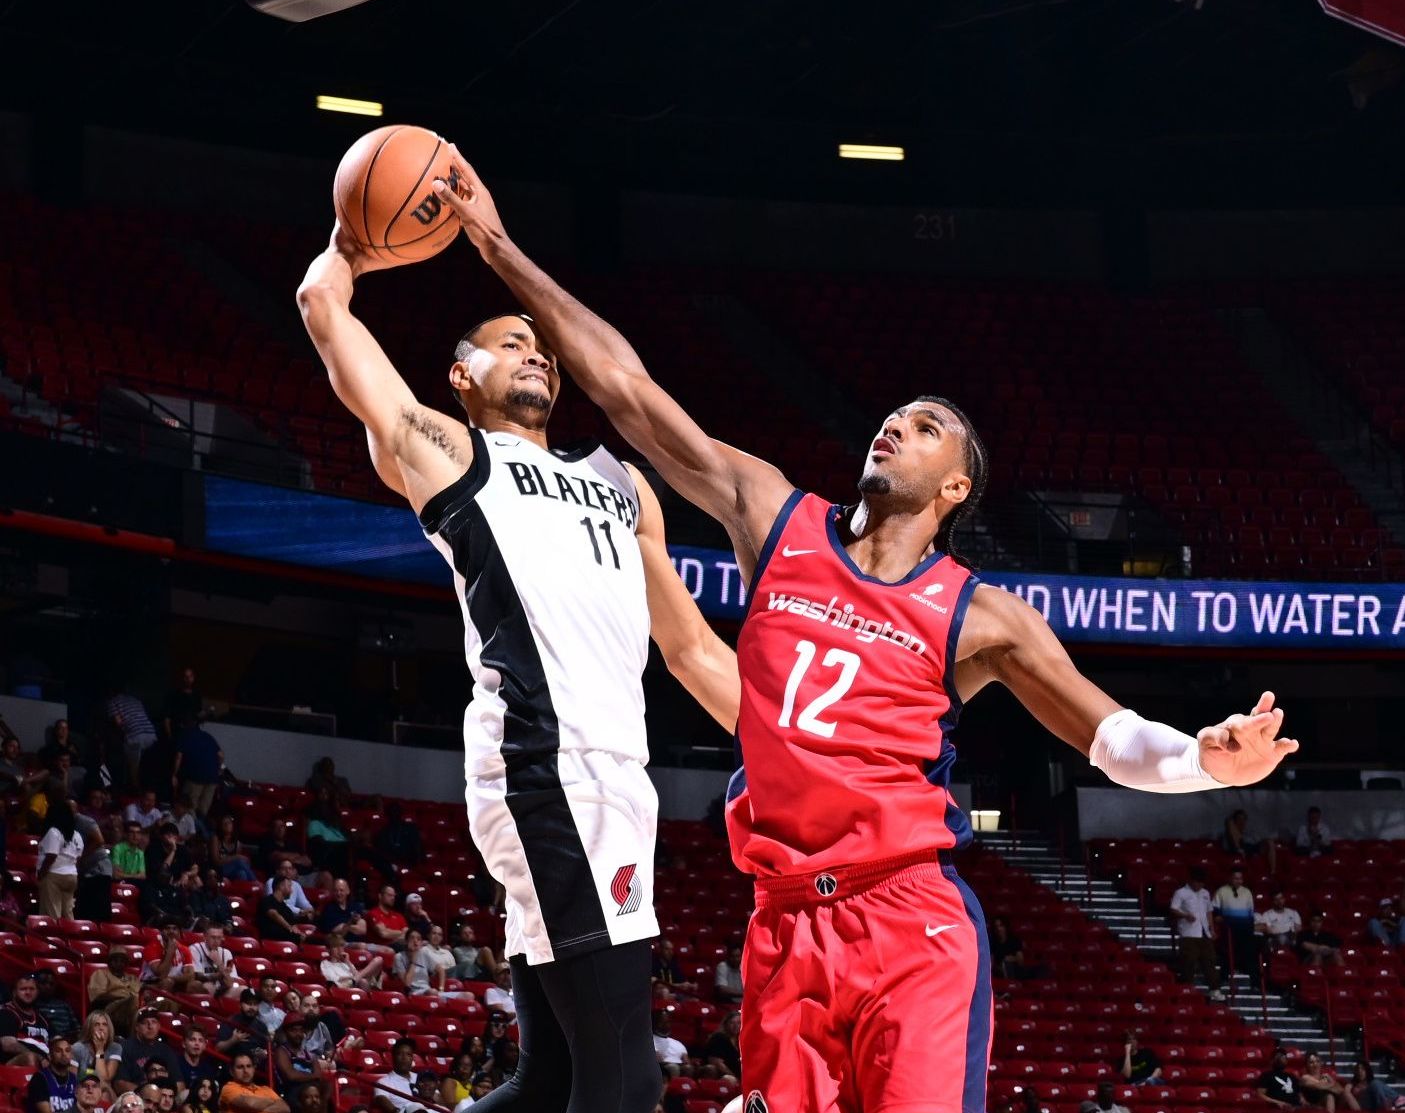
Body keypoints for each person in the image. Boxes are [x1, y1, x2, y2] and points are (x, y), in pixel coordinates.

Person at [428, 144, 1298, 1112]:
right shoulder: (774, 518)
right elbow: (630, 395)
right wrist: (497, 245)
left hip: (906, 916)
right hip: (782, 922)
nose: (894, 425)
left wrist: (1204, 761)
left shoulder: (981, 612)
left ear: (956, 484)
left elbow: (1109, 738)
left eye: (924, 426)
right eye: (892, 415)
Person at [298, 201, 746, 1113]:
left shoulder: (624, 482)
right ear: (462, 375)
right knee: (627, 1081)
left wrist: (806, 750)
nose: (536, 350)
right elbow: (321, 306)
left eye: (540, 344)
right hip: (545, 768)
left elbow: (694, 647)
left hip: (620, 776)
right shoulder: (448, 451)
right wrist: (355, 241)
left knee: (549, 1082)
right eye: (510, 341)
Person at [1171, 867, 1223, 1001]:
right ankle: (1187, 988)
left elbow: (1209, 912)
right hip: (1189, 933)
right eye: (1198, 883)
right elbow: (1173, 908)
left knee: (1209, 960)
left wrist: (1211, 929)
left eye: (1202, 883)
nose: (1200, 886)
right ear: (1192, 881)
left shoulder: (1205, 893)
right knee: (1189, 961)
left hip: (1204, 932)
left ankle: (1214, 989)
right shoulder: (1180, 893)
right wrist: (1185, 915)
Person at [37, 797, 85, 919]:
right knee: (68, 913)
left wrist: (41, 873)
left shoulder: (54, 832)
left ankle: (53, 937)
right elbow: (78, 857)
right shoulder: (77, 835)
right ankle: (69, 937)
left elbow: (51, 855)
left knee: (52, 914)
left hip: (54, 875)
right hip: (72, 876)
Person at [1212, 867, 1259, 987]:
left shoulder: (1247, 892)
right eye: (1236, 878)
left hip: (1245, 929)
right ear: (1230, 878)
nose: (1238, 881)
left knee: (1249, 952)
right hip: (1228, 928)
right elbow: (1215, 911)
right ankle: (1224, 977)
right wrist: (1219, 919)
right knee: (1227, 953)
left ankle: (1252, 980)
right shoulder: (1221, 891)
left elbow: (1251, 912)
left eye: (1240, 878)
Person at [170, 720, 222, 820]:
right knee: (203, 809)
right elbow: (220, 755)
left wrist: (174, 774)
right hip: (212, 778)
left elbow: (178, 756)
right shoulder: (208, 736)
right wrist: (218, 769)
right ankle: (200, 831)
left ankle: (191, 830)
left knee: (189, 808)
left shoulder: (185, 737)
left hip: (195, 778)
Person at [1, 974, 51, 1065]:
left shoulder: (42, 1017)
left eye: (32, 989)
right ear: (14, 992)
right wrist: (40, 1058)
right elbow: (8, 1045)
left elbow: (56, 1039)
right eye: (23, 989)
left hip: (46, 1060)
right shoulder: (6, 1013)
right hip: (12, 1066)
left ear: (37, 992)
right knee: (30, 1057)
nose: (28, 992)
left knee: (70, 1060)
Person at [88, 950, 143, 1033]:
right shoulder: (101, 974)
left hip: (135, 1006)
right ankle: (133, 1036)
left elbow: (140, 991)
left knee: (166, 1003)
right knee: (132, 1001)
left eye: (122, 961)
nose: (119, 963)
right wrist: (121, 998)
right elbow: (97, 998)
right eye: (115, 960)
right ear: (109, 962)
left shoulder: (132, 978)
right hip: (110, 1008)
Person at [217, 1051, 287, 1113]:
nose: (245, 1071)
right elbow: (250, 1104)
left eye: (249, 1066)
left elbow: (285, 1108)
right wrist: (273, 1102)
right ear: (232, 1072)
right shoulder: (228, 1088)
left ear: (254, 1069)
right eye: (240, 1067)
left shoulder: (266, 1089)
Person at [141, 922, 197, 995]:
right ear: (161, 931)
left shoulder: (184, 949)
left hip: (175, 982)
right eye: (167, 928)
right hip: (151, 983)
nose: (171, 931)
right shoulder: (152, 947)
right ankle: (164, 1005)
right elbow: (161, 975)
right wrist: (170, 952)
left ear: (179, 932)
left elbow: (191, 976)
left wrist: (172, 978)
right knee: (167, 982)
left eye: (175, 929)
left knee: (196, 985)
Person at [213, 992, 269, 1064]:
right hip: (233, 1065)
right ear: (240, 1005)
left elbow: (267, 1050)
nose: (252, 1007)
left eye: (255, 1004)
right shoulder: (230, 1022)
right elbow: (218, 1048)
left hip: (255, 1067)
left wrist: (264, 1053)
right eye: (248, 1004)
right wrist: (233, 1040)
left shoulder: (262, 1026)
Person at [189, 924, 244, 998]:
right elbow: (197, 976)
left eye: (219, 938)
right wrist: (220, 975)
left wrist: (220, 964)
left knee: (243, 989)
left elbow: (230, 982)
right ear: (205, 936)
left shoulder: (227, 953)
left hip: (223, 989)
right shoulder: (195, 949)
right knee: (207, 986)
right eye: (213, 937)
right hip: (205, 986)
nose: (216, 941)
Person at [319, 932, 385, 990]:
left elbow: (356, 975)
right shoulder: (325, 964)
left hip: (356, 984)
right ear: (328, 949)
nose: (339, 949)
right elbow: (334, 979)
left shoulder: (346, 963)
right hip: (343, 987)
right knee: (362, 981)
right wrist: (352, 978)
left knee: (379, 959)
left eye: (341, 946)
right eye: (335, 947)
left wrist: (348, 962)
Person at [72, 1012, 123, 1087]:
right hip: (83, 1088)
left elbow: (104, 1079)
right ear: (89, 1028)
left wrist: (100, 1050)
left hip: (104, 1089)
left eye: (104, 1024)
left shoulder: (115, 1048)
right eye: (96, 1024)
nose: (101, 1028)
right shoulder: (77, 1048)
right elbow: (73, 1080)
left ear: (109, 1029)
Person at [373, 1039, 423, 1113]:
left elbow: (436, 1097)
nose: (404, 1058)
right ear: (393, 1058)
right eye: (400, 1054)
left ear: (412, 1058)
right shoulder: (384, 1082)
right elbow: (381, 1098)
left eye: (408, 1054)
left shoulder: (420, 1077)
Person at [30, 1036, 78, 1113]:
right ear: (50, 1056)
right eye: (58, 1051)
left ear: (71, 1056)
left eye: (67, 1050)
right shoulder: (39, 1078)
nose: (64, 1054)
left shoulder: (73, 1079)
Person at [32, 970, 80, 1045]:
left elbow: (77, 1029)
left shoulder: (64, 1005)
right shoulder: (32, 1006)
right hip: (42, 1043)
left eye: (51, 984)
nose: (48, 986)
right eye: (44, 983)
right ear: (36, 984)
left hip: (66, 1042)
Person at [363, 887, 407, 952]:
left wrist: (389, 932)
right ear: (380, 896)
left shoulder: (399, 916)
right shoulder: (373, 914)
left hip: (398, 946)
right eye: (389, 895)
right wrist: (401, 932)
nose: (393, 898)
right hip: (380, 949)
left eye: (394, 896)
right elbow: (383, 934)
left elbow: (407, 934)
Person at [702, 1012, 741, 1085]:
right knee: (729, 1079)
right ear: (726, 1024)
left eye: (739, 1023)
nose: (736, 1026)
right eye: (732, 1023)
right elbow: (716, 1062)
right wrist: (734, 1076)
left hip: (739, 1074)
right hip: (724, 1074)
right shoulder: (719, 1038)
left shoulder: (741, 1040)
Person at [651, 1011, 689, 1079]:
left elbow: (686, 1061)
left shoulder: (677, 1043)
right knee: (673, 1067)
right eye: (662, 1022)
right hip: (662, 1068)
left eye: (667, 1022)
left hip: (678, 1066)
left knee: (688, 1068)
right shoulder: (650, 1041)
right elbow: (658, 1059)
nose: (667, 1025)